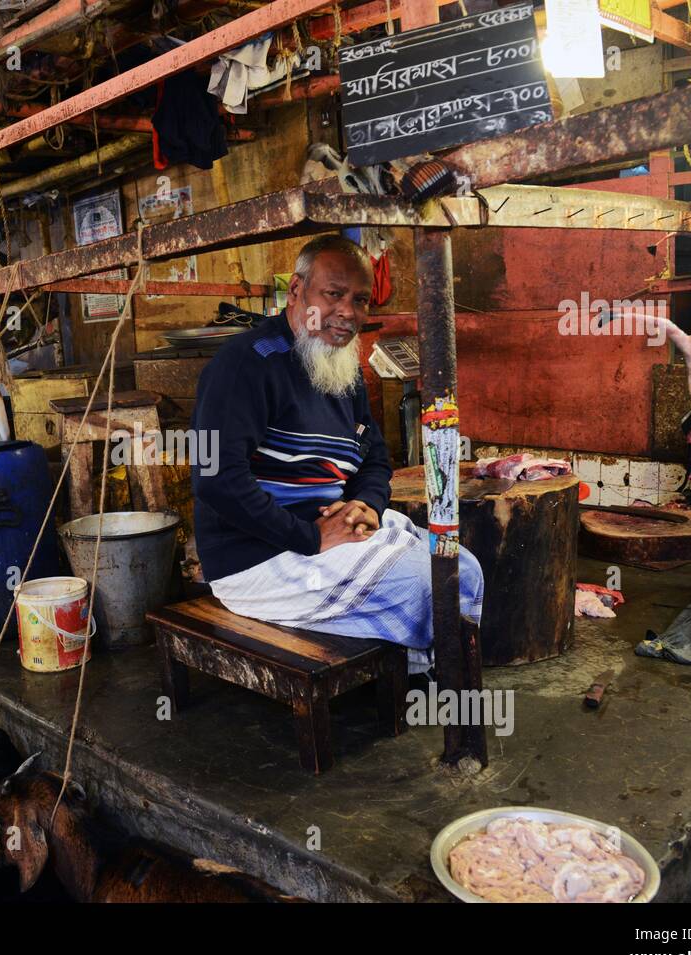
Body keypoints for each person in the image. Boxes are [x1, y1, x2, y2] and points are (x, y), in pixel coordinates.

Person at [190, 234, 484, 674]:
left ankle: (427, 669)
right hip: (258, 557)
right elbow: (215, 480)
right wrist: (311, 537)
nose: (348, 312)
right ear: (296, 291)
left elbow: (374, 459)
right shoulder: (241, 364)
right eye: (333, 294)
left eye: (360, 299)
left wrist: (367, 505)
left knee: (463, 566)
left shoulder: (340, 367)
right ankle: (425, 673)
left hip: (333, 533)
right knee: (426, 584)